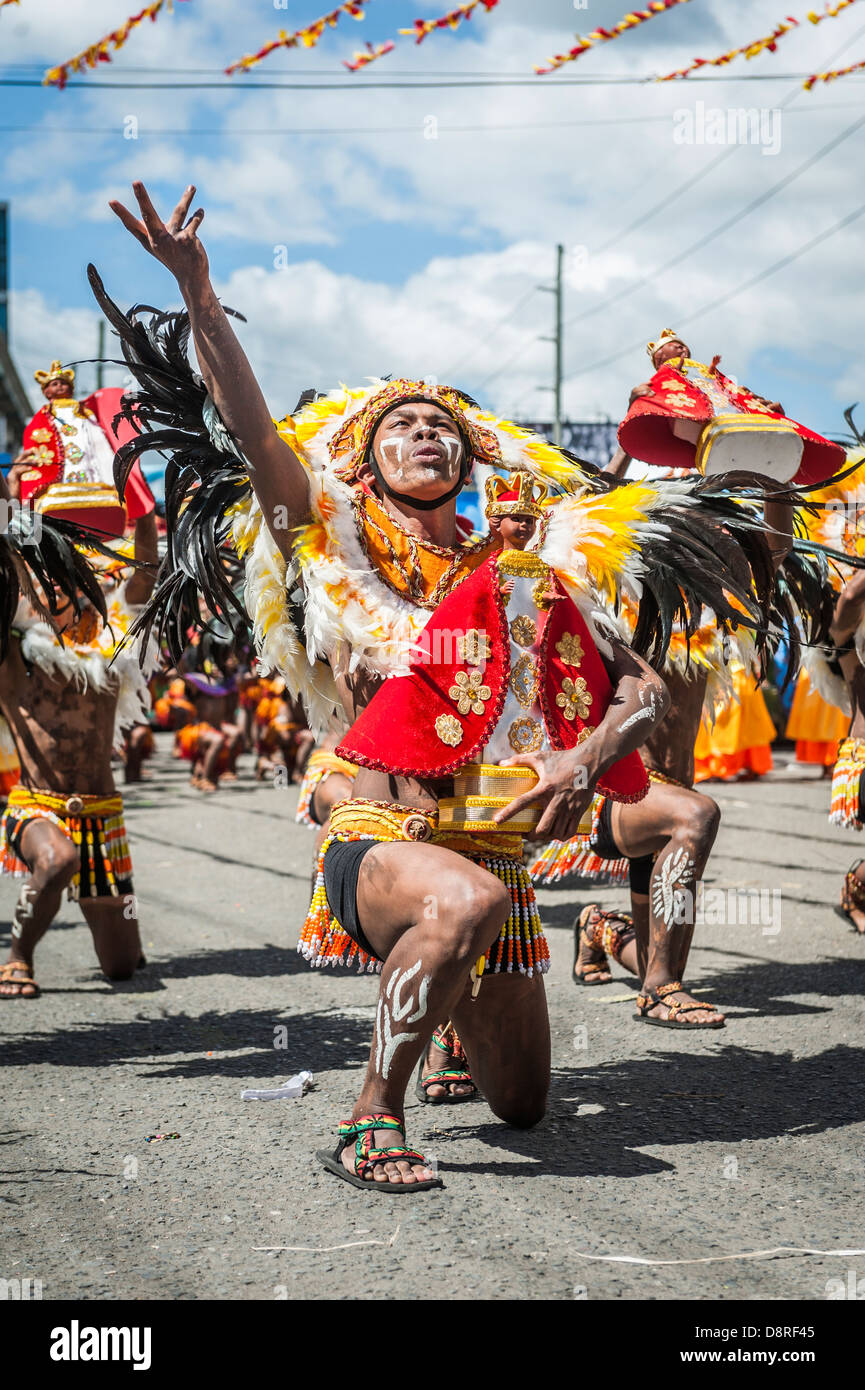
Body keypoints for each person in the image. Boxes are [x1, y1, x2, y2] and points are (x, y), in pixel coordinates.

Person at [103, 180, 799, 1187]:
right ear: (364, 462)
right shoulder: (327, 540)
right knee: (459, 898)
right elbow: (255, 435)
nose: (425, 433)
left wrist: (584, 756)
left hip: (500, 857)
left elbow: (641, 687)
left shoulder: (524, 571)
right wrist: (200, 295)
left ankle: (465, 1017)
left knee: (521, 1103)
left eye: (440, 424)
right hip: (383, 837)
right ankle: (368, 1117)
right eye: (401, 426)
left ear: (469, 454)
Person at [0, 495, 158, 998]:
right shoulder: (13, 654)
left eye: (74, 585)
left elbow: (146, 573)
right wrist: (9, 504)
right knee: (57, 859)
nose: (60, 595)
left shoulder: (113, 648)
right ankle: (18, 954)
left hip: (101, 815)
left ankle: (122, 942)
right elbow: (8, 567)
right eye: (47, 586)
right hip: (35, 808)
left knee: (122, 968)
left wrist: (144, 506)